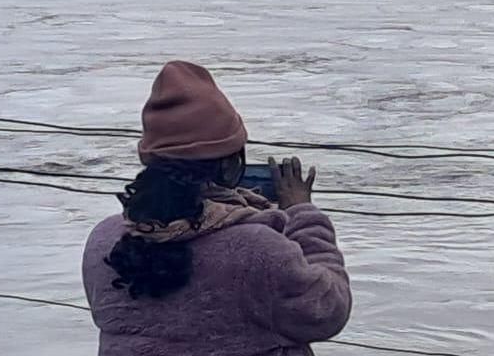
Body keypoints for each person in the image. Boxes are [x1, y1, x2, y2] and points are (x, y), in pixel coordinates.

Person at [82, 61, 351, 356]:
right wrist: (303, 214)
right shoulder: (258, 249)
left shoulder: (103, 240)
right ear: (229, 164)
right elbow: (328, 309)